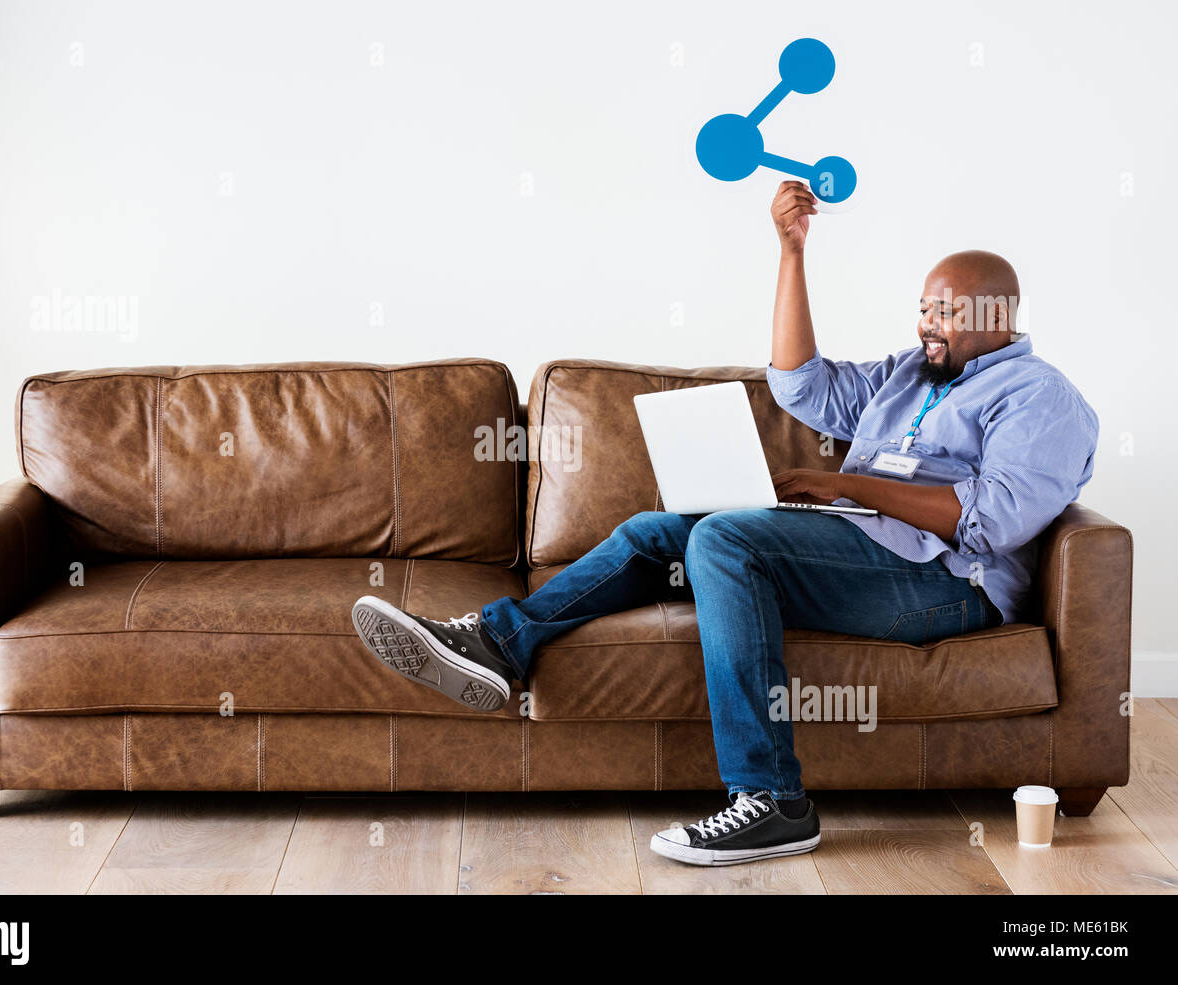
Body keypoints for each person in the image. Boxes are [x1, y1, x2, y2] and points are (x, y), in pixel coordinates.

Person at [350, 180, 1099, 867]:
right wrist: (791, 252)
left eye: (946, 313)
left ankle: (773, 800)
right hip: (863, 551)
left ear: (997, 316)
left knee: (726, 537)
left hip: (943, 583)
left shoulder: (1042, 398)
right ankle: (496, 641)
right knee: (659, 530)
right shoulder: (911, 372)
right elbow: (798, 382)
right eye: (925, 308)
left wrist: (845, 484)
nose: (927, 325)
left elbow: (992, 518)